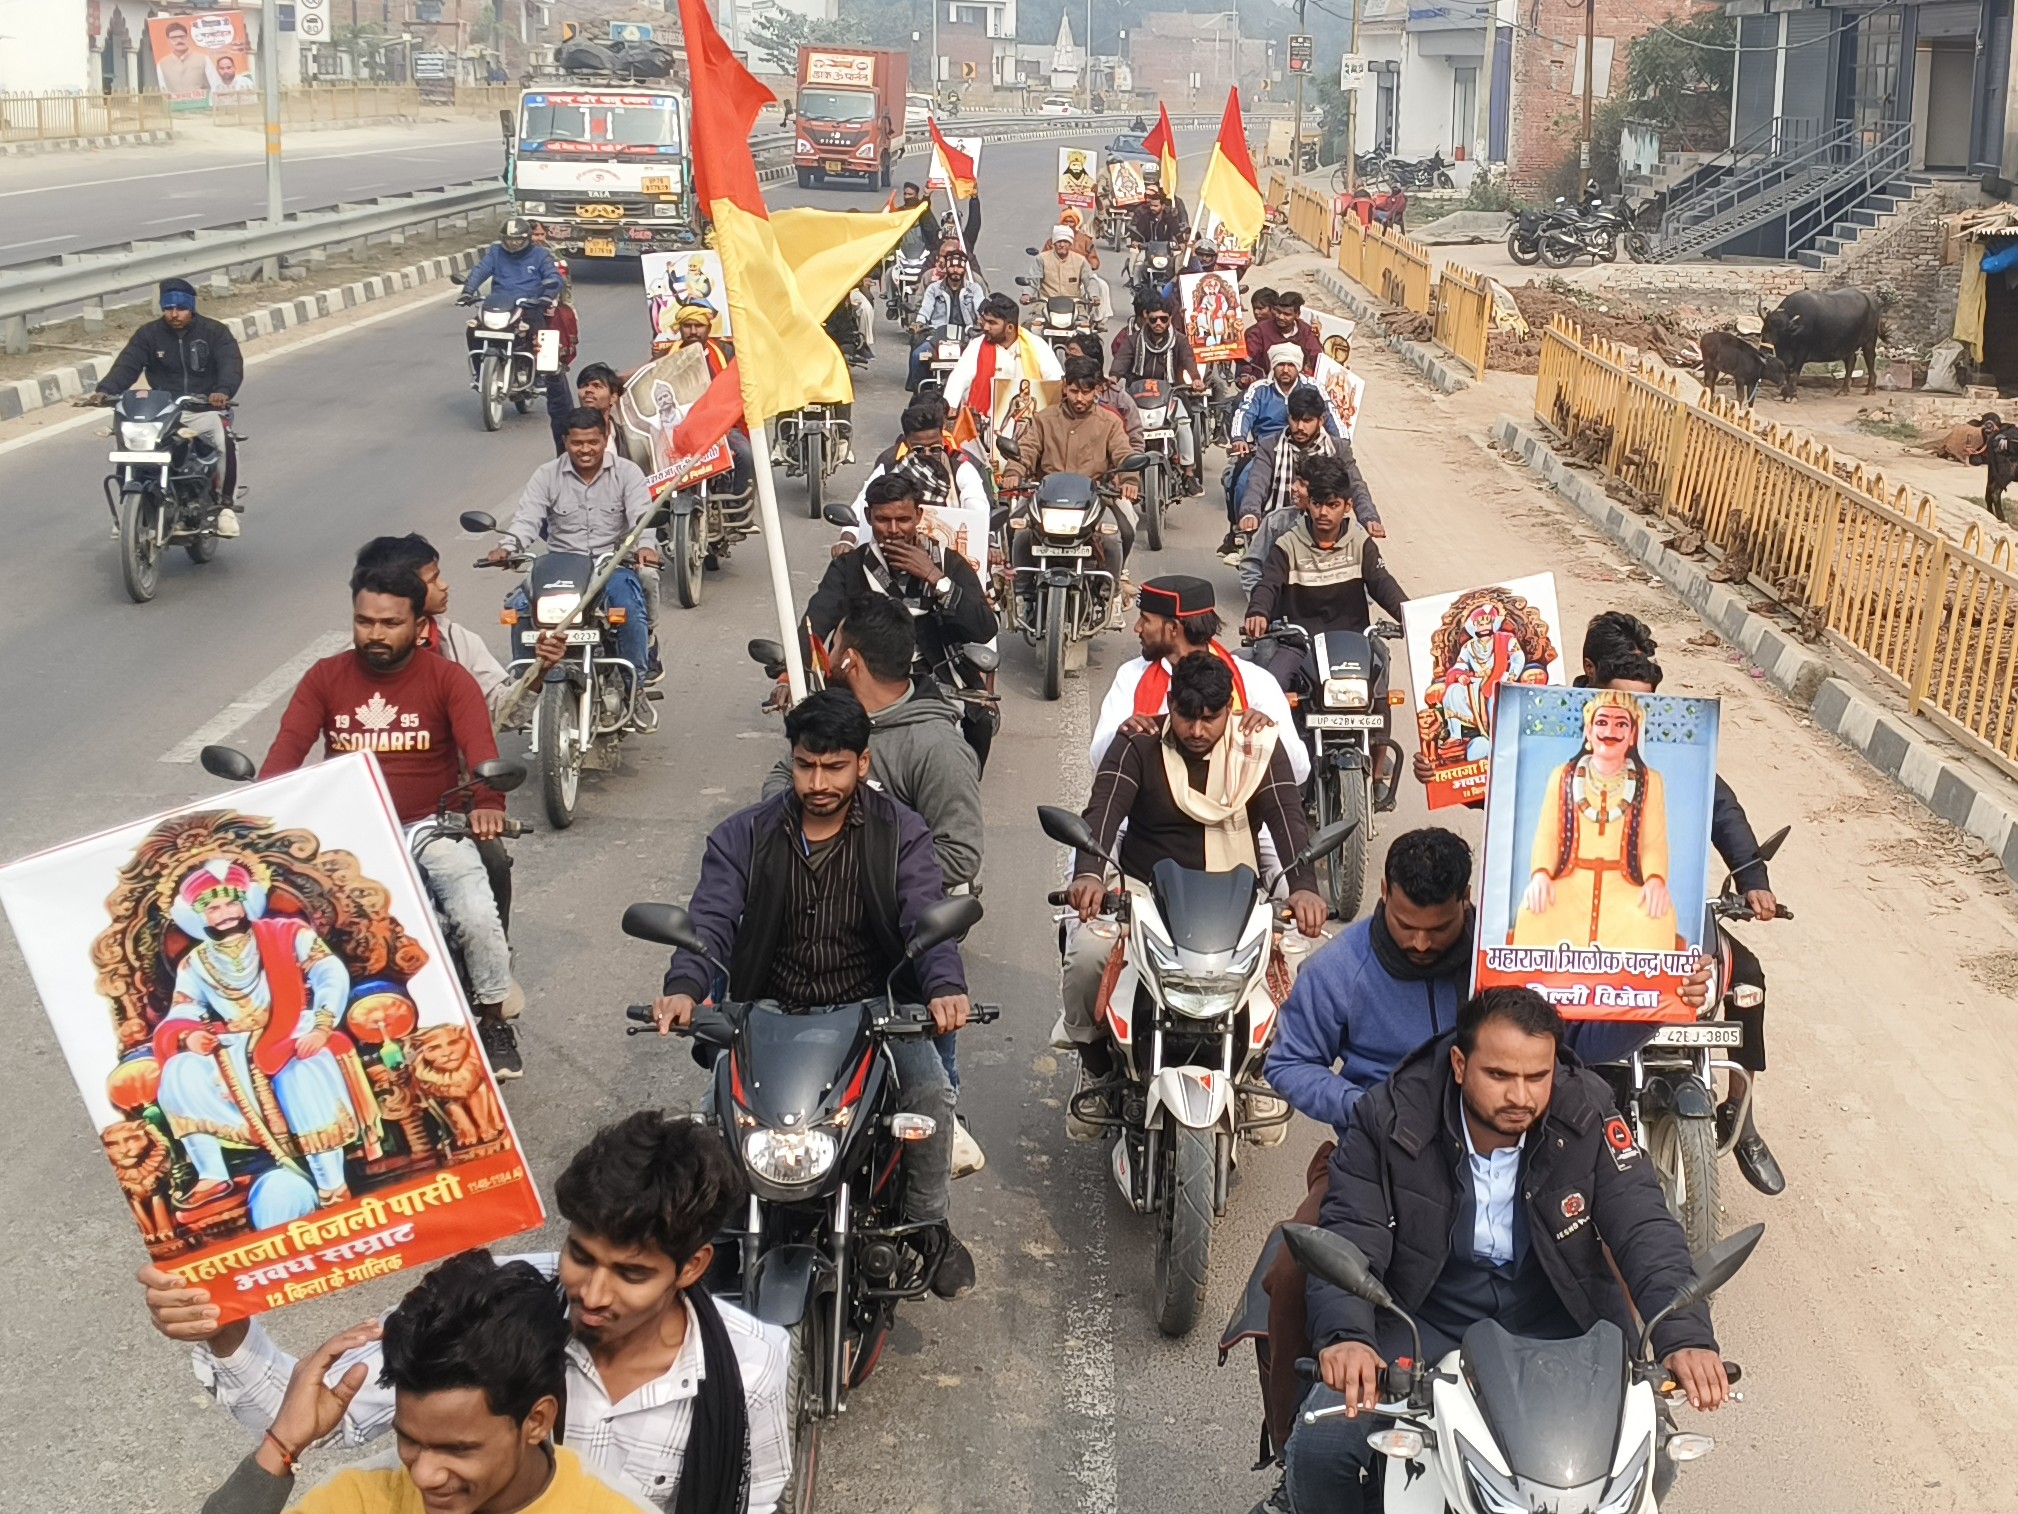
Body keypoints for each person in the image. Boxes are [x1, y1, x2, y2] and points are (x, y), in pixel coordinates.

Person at [144, 1112, 793, 1512]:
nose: (592, 1293)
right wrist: (229, 1334)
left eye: (631, 1274)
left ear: (692, 1268)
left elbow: (752, 1499)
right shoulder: (500, 1307)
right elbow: (331, 1416)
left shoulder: (753, 1365)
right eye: (581, 1255)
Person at [1283, 987, 1729, 1514]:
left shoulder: (1587, 1109)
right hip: (1421, 1314)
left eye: (1536, 1077)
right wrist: (1348, 1336)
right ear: (1458, 1063)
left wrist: (1686, 1335)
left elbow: (1645, 1227)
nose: (1520, 1096)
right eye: (1499, 1076)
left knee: (1653, 1455)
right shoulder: (1387, 1114)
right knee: (1319, 1452)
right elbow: (1352, 1231)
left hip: (1558, 1316)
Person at [652, 691, 978, 1298]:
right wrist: (685, 989)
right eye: (807, 766)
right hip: (768, 1013)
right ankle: (724, 1238)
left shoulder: (901, 834)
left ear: (864, 764)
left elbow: (925, 915)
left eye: (834, 767)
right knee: (712, 1122)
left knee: (930, 1093)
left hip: (872, 1008)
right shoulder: (742, 835)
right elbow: (711, 920)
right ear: (793, 762)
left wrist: (944, 987)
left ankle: (929, 1225)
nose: (819, 781)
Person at [260, 561, 522, 1078]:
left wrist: (489, 804)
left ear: (419, 626)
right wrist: (260, 808)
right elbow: (287, 751)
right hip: (347, 838)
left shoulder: (449, 680)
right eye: (365, 622)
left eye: (389, 623)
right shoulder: (324, 678)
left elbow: (480, 752)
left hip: (431, 826)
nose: (374, 634)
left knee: (474, 914)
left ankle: (492, 1019)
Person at [1061, 653, 1324, 1134]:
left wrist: (1303, 889)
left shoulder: (1258, 747)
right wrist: (1089, 875)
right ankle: (1097, 1068)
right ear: (1169, 705)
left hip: (1238, 898)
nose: (1198, 730)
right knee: (1086, 952)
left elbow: (1289, 818)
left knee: (1302, 964)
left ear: (1230, 710)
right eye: (1186, 716)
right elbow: (1102, 812)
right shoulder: (1138, 743)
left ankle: (1261, 1071)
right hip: (1145, 894)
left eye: (1211, 718)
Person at [196, 1250, 653, 1514]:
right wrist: (282, 1444)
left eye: (459, 1449)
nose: (424, 1475)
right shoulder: (362, 1500)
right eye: (410, 1441)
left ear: (537, 1420)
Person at [1588, 639, 1784, 1194]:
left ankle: (1740, 1114)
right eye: (1620, 701)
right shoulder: (1571, 757)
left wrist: (1753, 881)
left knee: (1746, 981)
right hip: (1589, 921)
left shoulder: (1680, 759)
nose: (1631, 714)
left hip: (1670, 919)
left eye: (1643, 704)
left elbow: (1724, 813)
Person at [151, 859, 383, 1210]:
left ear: (245, 902)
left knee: (300, 1074)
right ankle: (213, 1175)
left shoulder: (287, 934)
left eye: (231, 903)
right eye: (213, 908)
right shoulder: (195, 963)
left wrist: (322, 1028)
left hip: (296, 1029)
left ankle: (332, 1187)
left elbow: (329, 973)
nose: (224, 913)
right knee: (180, 1071)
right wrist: (189, 1036)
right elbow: (184, 1008)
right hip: (232, 1042)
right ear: (199, 916)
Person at [809, 471, 999, 767]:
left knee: (981, 724)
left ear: (919, 516)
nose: (893, 530)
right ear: (869, 516)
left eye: (903, 520)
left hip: (935, 675)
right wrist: (788, 673)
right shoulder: (849, 568)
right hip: (865, 677)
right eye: (883, 520)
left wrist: (936, 579)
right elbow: (816, 621)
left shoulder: (949, 563)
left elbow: (984, 628)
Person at [487, 408, 659, 695]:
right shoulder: (547, 475)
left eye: (592, 442)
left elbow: (643, 517)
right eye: (577, 443)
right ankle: (524, 689)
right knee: (517, 609)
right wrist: (508, 547)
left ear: (605, 439)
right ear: (565, 442)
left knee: (629, 609)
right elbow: (527, 519)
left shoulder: (628, 473)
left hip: (610, 566)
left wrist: (645, 547)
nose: (585, 450)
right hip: (560, 568)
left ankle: (634, 690)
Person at [1089, 574, 1308, 788]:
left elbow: (1298, 772)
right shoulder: (1131, 676)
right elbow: (1100, 761)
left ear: (1174, 628)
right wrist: (1125, 734)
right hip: (1148, 820)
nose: (1137, 628)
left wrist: (1268, 735)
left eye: (1145, 619)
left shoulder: (1254, 681)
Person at [1509, 686, 1680, 952]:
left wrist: (1655, 880)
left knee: (1657, 919)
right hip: (1570, 885)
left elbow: (1653, 842)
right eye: (1602, 722)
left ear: (1632, 735)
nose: (1610, 732)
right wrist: (1541, 875)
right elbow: (1547, 835)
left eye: (1621, 724)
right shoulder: (1563, 776)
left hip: (1623, 889)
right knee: (1533, 913)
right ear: (1588, 732)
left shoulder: (1650, 781)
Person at [88, 277, 245, 535]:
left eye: (180, 309)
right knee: (129, 443)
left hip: (202, 409)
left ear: (191, 308)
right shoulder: (148, 335)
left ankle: (226, 508)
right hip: (162, 412)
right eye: (168, 308)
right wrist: (105, 391)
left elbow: (231, 365)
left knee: (223, 439)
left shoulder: (215, 332)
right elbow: (127, 366)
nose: (174, 314)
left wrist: (221, 391)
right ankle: (130, 509)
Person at [1244, 454, 1407, 683]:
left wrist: (1408, 615)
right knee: (1274, 683)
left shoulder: (1360, 542)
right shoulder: (1287, 544)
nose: (1323, 513)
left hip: (1352, 642)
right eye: (1317, 504)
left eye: (1333, 505)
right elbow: (1268, 583)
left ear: (1348, 506)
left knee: (1380, 670)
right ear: (1308, 503)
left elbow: (1382, 583)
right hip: (1298, 644)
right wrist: (1258, 611)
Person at [1000, 356, 1137, 592]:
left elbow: (1123, 453)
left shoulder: (1110, 423)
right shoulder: (1044, 419)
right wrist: (1014, 471)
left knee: (1119, 534)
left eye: (1086, 392)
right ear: (1064, 386)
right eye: (1074, 391)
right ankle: (1020, 594)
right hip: (1045, 499)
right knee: (1017, 530)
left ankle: (1109, 592)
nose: (1079, 398)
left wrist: (1130, 480)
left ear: (1098, 390)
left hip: (1095, 499)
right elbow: (1027, 449)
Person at [1235, 391, 1382, 577]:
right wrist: (1250, 512)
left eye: (1307, 421)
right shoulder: (1270, 446)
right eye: (1295, 420)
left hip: (1321, 521)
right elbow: (1258, 482)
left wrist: (1369, 518)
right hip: (1281, 521)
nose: (1299, 427)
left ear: (1321, 421)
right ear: (1288, 417)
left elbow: (1355, 485)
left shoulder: (1338, 448)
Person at [1110, 289, 1204, 493]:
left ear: (1170, 318)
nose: (1159, 324)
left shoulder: (1179, 340)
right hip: (1136, 396)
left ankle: (1188, 473)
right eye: (1154, 320)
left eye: (1163, 319)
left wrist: (1195, 380)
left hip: (1172, 394)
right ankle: (1116, 472)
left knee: (1185, 424)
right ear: (1146, 318)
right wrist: (1113, 378)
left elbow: (1189, 360)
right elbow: (1121, 361)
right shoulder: (1133, 340)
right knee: (1116, 425)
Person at [669, 305, 754, 498]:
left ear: (708, 328)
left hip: (722, 427)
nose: (692, 331)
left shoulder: (727, 353)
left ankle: (741, 513)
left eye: (698, 326)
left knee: (746, 454)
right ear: (680, 329)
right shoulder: (667, 356)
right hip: (681, 428)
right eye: (687, 326)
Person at [942, 291, 1064, 421]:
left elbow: (1055, 380)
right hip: (983, 420)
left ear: (1010, 328)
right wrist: (951, 405)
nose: (986, 327)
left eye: (992, 323)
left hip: (1028, 421)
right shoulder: (977, 345)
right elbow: (960, 376)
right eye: (985, 321)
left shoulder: (1035, 344)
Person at [458, 216, 562, 353]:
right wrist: (467, 291)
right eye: (509, 240)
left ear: (527, 238)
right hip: (499, 305)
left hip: (529, 306)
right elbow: (480, 270)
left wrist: (547, 296)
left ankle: (536, 371)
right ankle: (479, 372)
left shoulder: (540, 255)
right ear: (502, 239)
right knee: (473, 331)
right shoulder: (496, 252)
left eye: (517, 240)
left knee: (539, 339)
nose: (513, 244)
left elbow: (553, 277)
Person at [908, 248, 984, 392]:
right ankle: (920, 393)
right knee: (918, 355)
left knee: (984, 360)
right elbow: (925, 309)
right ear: (946, 267)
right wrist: (919, 323)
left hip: (967, 337)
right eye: (952, 266)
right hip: (937, 335)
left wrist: (983, 319)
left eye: (959, 267)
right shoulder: (934, 289)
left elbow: (981, 307)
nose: (956, 270)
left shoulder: (974, 289)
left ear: (965, 269)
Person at [1059, 337, 1144, 450]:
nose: (1079, 399)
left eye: (1074, 358)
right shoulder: (1055, 397)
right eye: (1067, 356)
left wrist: (1132, 464)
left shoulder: (1117, 400)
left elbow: (1135, 442)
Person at [547, 258, 581, 454]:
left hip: (545, 331)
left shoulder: (562, 311)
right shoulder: (501, 256)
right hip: (512, 314)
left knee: (558, 388)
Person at [1129, 167, 1189, 248]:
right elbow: (1138, 231)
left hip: (1166, 250)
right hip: (1146, 249)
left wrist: (1181, 243)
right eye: (1151, 206)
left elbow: (1176, 231)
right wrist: (1136, 241)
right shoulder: (1145, 216)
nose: (1152, 208)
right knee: (1136, 258)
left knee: (1178, 259)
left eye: (1156, 206)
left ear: (1163, 206)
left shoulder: (1169, 217)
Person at [154, 20, 212, 95]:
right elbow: (163, 90)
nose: (179, 40)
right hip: (174, 105)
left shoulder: (203, 59)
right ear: (168, 41)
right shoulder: (162, 64)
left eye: (182, 37)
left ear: (187, 38)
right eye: (174, 38)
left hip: (202, 104)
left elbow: (215, 86)